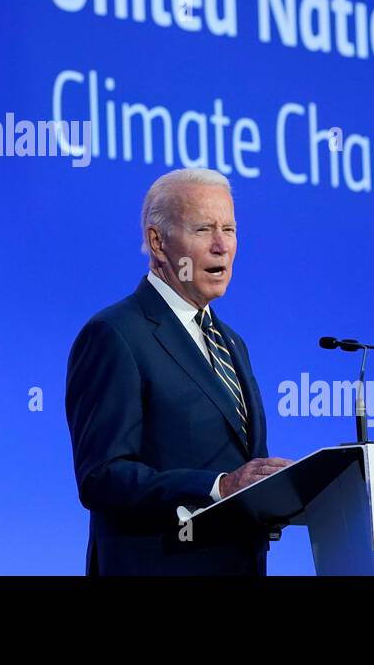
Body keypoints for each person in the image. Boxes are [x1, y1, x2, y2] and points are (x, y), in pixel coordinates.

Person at [65, 168, 292, 575]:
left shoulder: (232, 343)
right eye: (204, 229)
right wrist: (217, 487)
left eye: (230, 229)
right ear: (158, 241)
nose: (222, 246)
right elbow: (102, 476)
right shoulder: (116, 334)